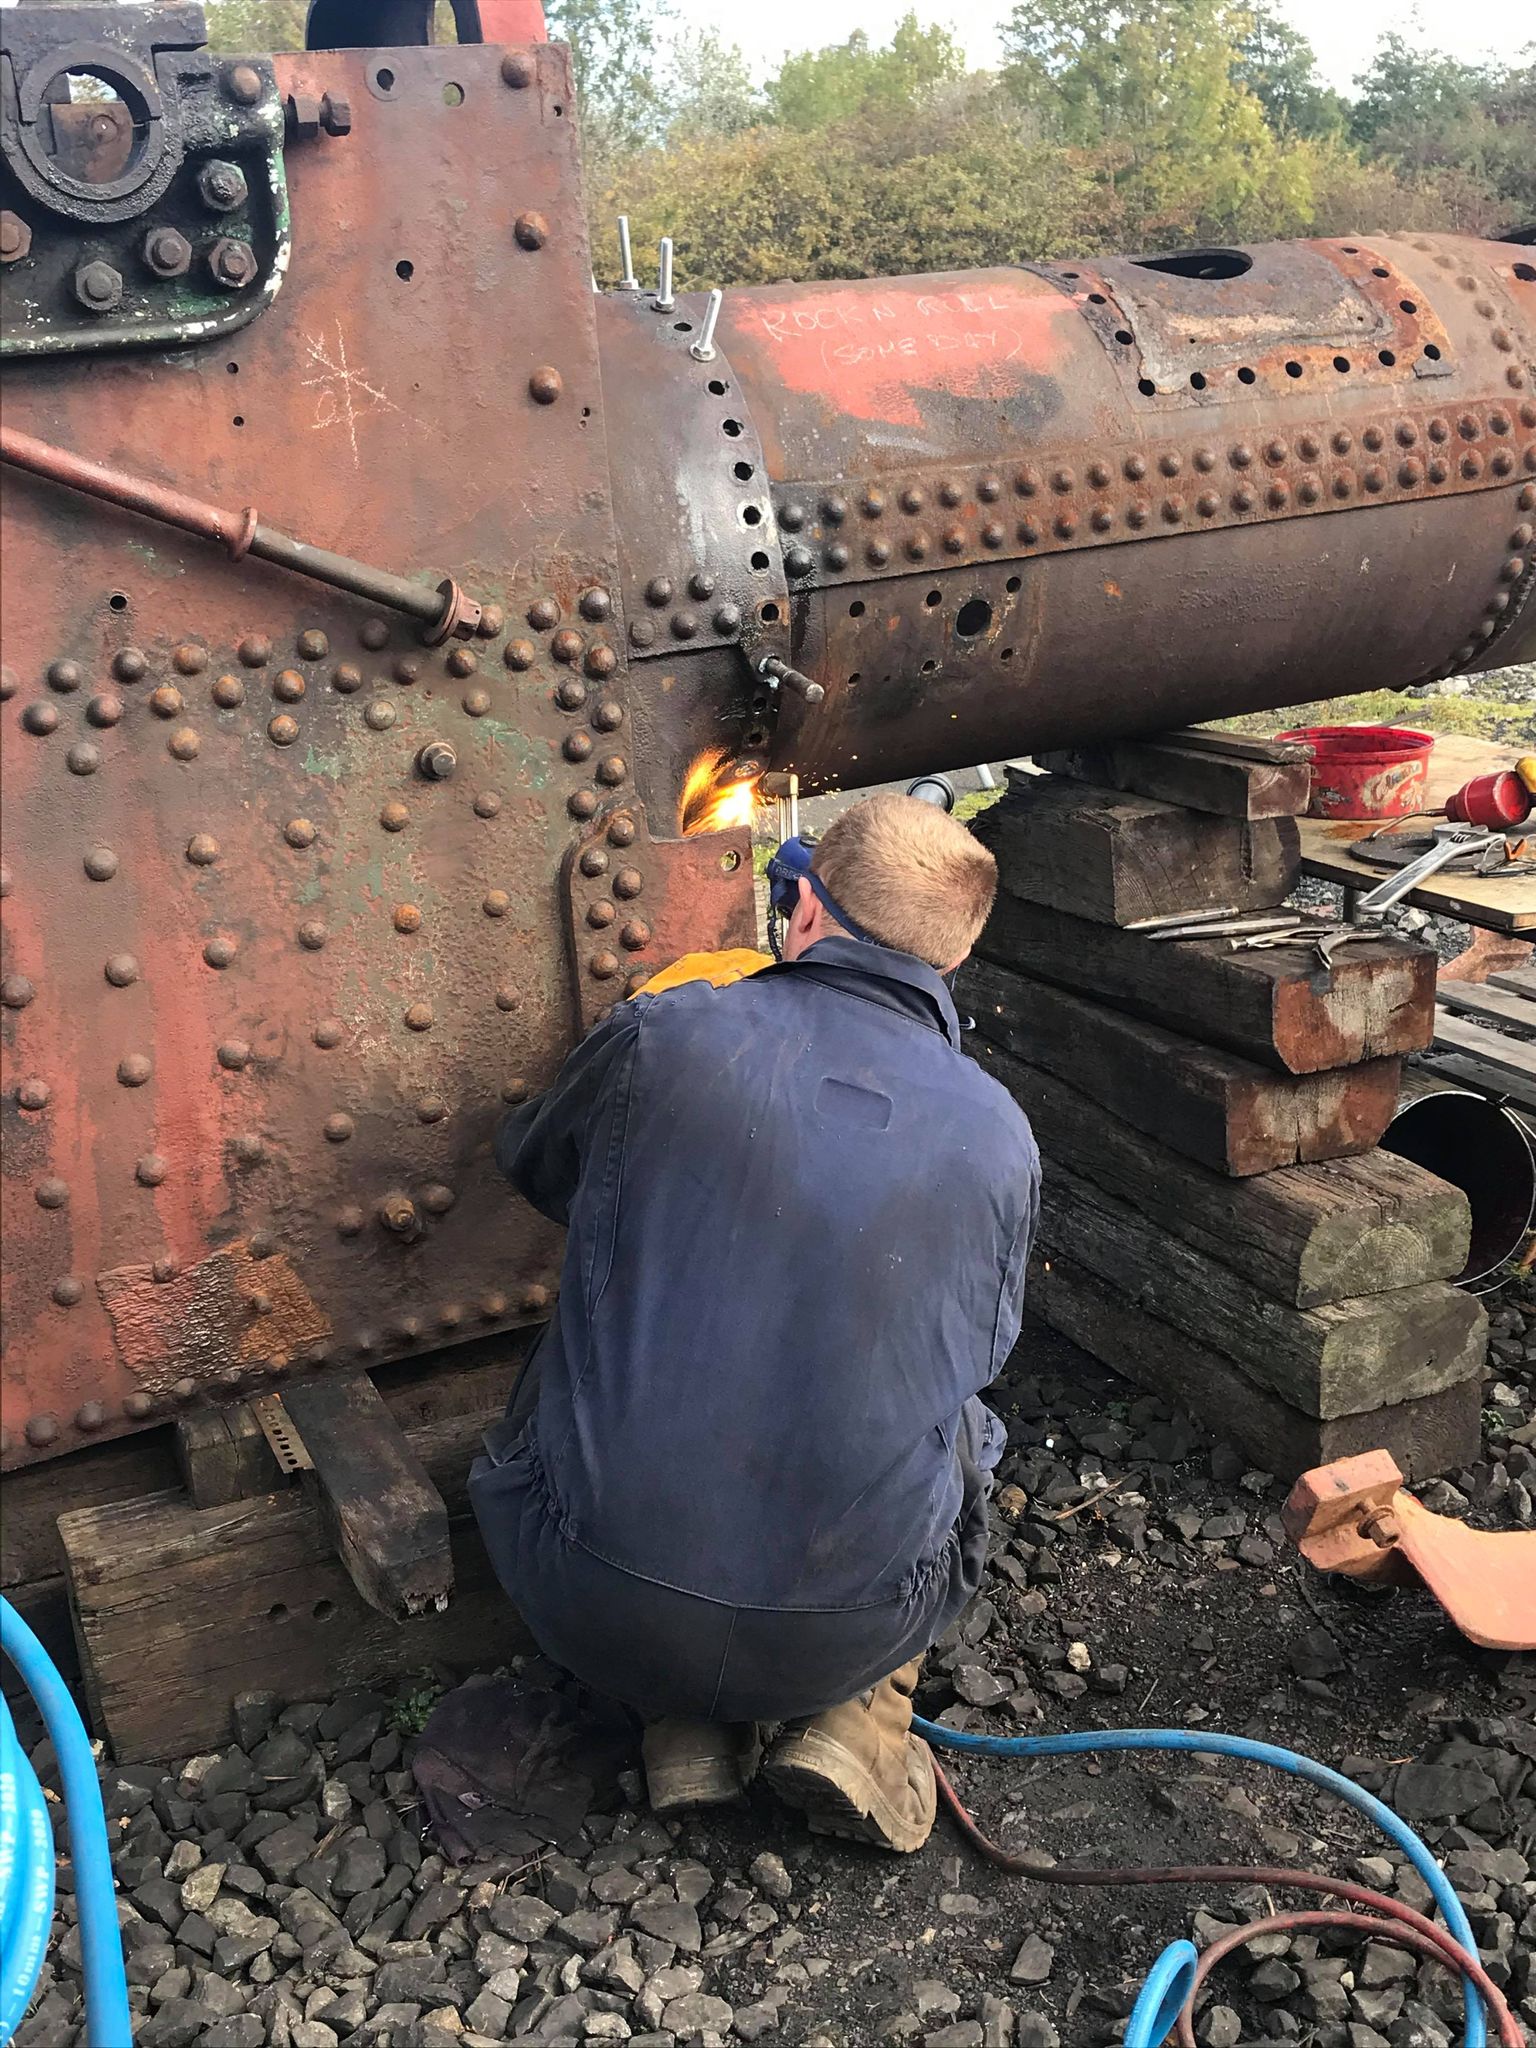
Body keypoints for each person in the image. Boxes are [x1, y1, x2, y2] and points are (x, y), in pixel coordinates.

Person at [469, 791, 1039, 1853]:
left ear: (806, 909)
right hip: (845, 1631)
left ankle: (676, 1718)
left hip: (588, 1594)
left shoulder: (665, 1033)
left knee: (588, 1340)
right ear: (949, 960)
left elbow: (534, 1164)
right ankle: (854, 1719)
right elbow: (978, 1352)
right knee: (964, 1416)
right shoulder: (1001, 1134)